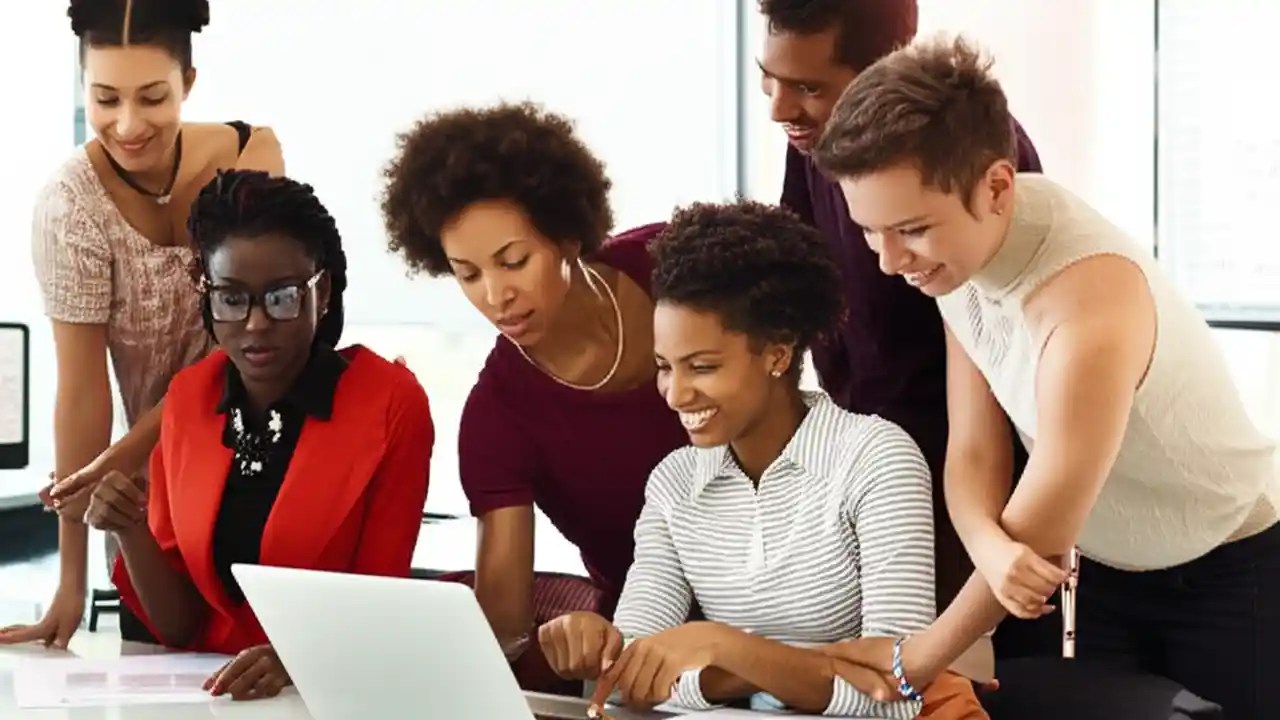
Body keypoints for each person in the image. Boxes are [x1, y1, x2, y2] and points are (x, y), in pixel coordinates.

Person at [812, 35, 1279, 720]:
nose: (888, 261)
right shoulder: (956, 254)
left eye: (909, 229)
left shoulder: (1087, 301)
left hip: (1234, 562)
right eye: (870, 231)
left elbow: (1044, 523)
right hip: (1106, 566)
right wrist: (991, 549)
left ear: (997, 187)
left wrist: (915, 661)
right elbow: (974, 451)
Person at [537, 200, 986, 719]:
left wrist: (721, 647)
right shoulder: (674, 484)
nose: (675, 394)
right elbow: (629, 683)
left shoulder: (875, 458)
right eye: (664, 366)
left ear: (777, 354)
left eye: (701, 367)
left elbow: (896, 696)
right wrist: (745, 665)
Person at [82, 169, 434, 701]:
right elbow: (180, 628)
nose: (255, 324)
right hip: (206, 698)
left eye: (282, 297)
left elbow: (379, 602)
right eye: (231, 298)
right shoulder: (189, 400)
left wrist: (299, 657)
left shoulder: (389, 402)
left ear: (323, 291)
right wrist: (130, 529)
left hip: (326, 697)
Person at [0, 0, 284, 650]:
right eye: (105, 98)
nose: (127, 125)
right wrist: (70, 580)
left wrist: (120, 456)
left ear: (188, 82)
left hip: (265, 469)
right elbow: (82, 393)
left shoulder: (251, 158)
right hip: (152, 505)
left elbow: (251, 344)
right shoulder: (70, 207)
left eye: (153, 97)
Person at [379, 102, 688, 693]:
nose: (496, 296)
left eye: (514, 261)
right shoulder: (498, 417)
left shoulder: (666, 264)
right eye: (468, 274)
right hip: (647, 639)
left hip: (794, 590)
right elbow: (505, 630)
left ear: (568, 236)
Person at [757, 0, 1043, 621]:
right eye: (769, 78)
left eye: (808, 87)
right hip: (865, 455)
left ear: (885, 65)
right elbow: (792, 269)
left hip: (968, 472)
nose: (779, 108)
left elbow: (993, 361)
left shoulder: (968, 156)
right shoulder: (816, 134)